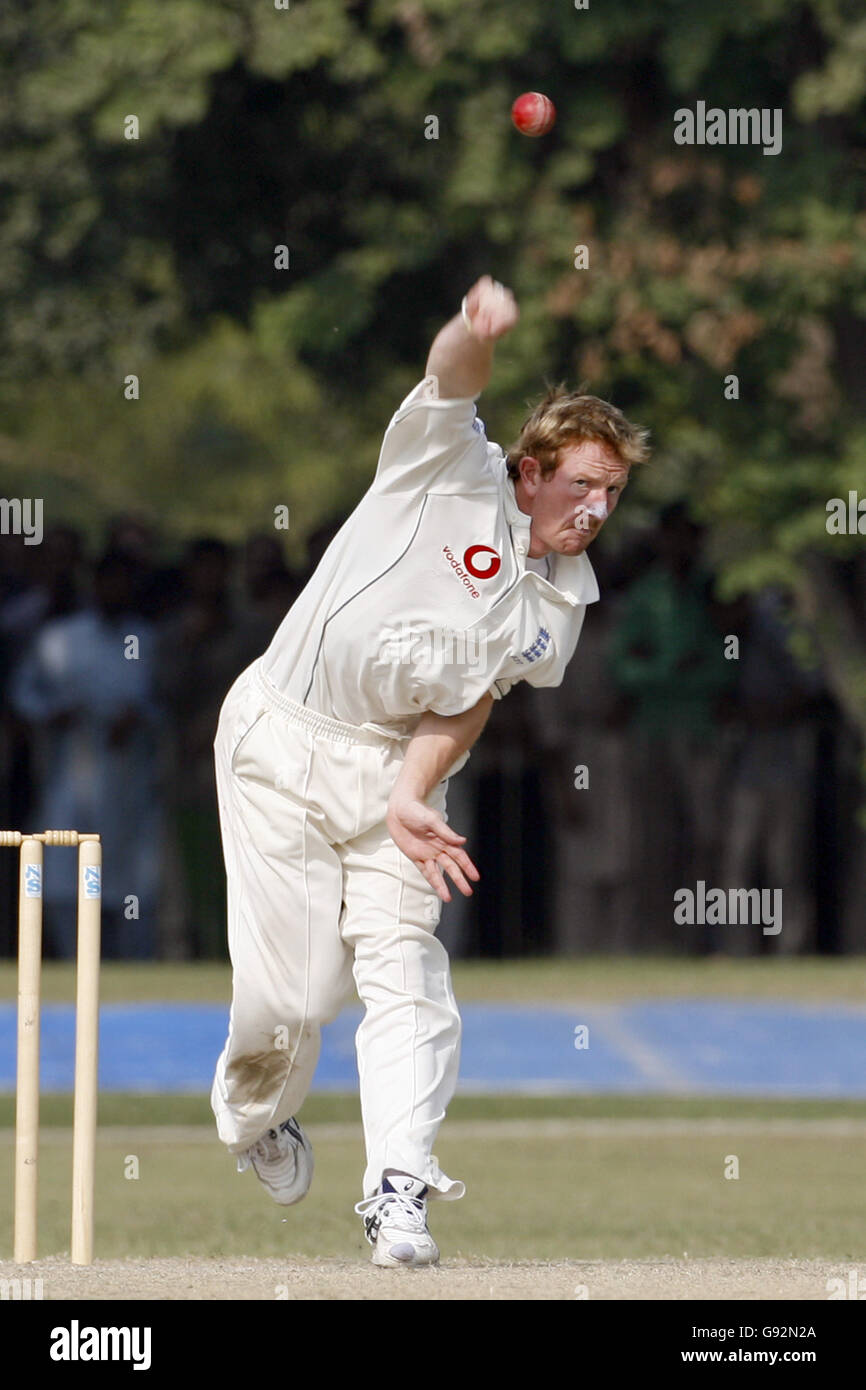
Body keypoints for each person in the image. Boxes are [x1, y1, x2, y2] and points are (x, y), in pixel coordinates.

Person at [211, 276, 649, 1267]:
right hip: (280, 737)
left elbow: (470, 698)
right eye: (580, 484)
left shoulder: (560, 606)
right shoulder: (447, 463)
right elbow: (452, 377)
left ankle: (397, 1191)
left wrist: (411, 792)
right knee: (295, 1000)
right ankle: (253, 1116)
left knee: (408, 974)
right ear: (531, 470)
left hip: (393, 778)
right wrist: (471, 325)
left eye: (612, 494)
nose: (596, 508)